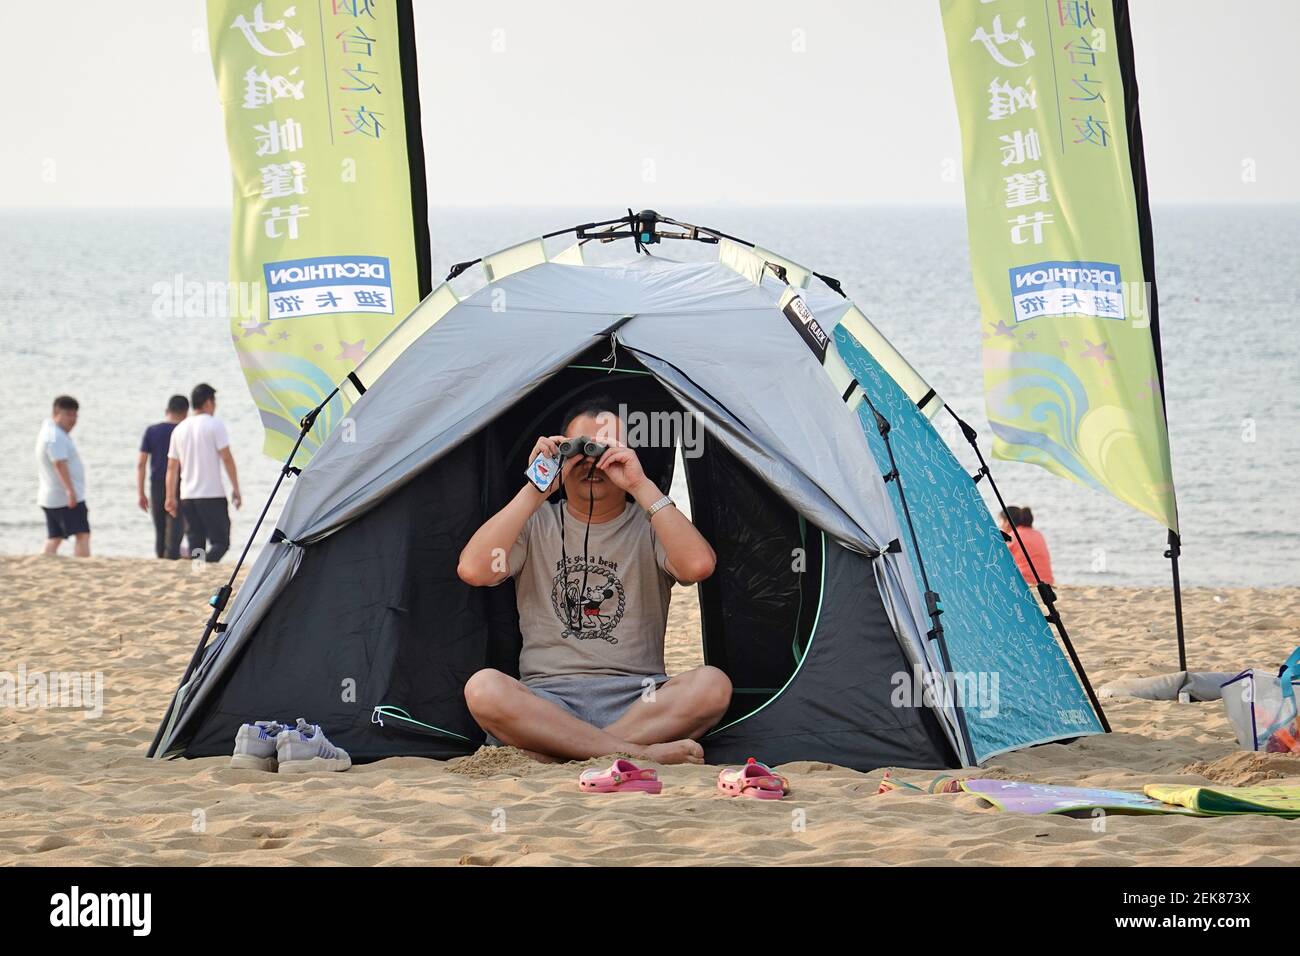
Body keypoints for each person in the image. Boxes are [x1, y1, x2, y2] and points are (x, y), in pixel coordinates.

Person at [457, 398, 730, 765]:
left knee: (713, 685)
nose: (592, 461)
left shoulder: (651, 525)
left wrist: (640, 484)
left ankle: (562, 751)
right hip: (547, 702)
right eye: (578, 449)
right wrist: (535, 487)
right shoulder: (536, 524)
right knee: (483, 688)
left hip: (639, 700)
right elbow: (473, 570)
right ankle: (633, 752)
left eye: (606, 449)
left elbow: (698, 566)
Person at [165, 383, 242, 562]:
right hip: (211, 493)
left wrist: (170, 496)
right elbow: (227, 458)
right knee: (221, 542)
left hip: (188, 495)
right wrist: (236, 488)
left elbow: (172, 468)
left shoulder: (179, 429)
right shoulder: (214, 424)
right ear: (208, 402)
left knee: (196, 543)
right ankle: (206, 564)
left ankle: (198, 571)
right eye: (214, 402)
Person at [35, 395, 90, 557]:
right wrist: (70, 491)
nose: (73, 420)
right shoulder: (54, 435)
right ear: (57, 414)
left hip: (53, 495)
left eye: (75, 415)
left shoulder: (51, 431)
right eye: (69, 414)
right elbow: (58, 462)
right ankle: (83, 567)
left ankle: (42, 564)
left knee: (55, 537)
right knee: (82, 534)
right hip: (63, 497)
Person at [137, 394, 189, 559]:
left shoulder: (152, 431)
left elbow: (141, 464)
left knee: (159, 529)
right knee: (177, 527)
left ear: (167, 410)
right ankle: (171, 560)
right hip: (178, 483)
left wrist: (140, 493)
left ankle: (161, 560)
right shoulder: (184, 431)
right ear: (186, 412)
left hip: (156, 484)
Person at [1000, 505, 1054, 587]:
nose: (1001, 526)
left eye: (1002, 522)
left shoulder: (1012, 537)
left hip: (1027, 582)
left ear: (1007, 522)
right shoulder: (1038, 534)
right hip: (1048, 582)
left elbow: (999, 559)